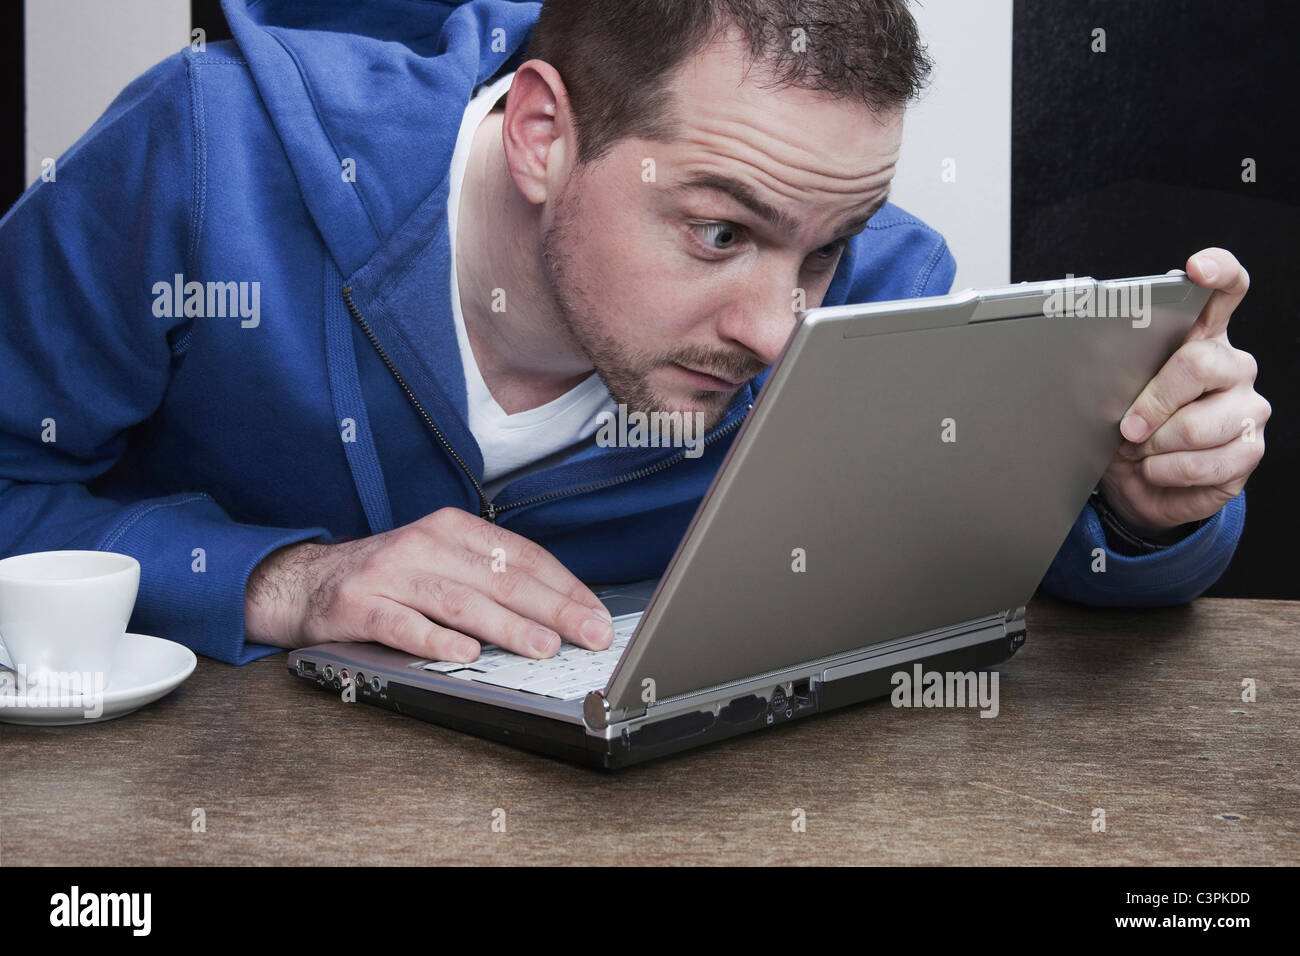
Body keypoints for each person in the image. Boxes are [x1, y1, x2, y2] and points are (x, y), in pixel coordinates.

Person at [0, 0, 1267, 668]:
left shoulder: (883, 285)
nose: (780, 330)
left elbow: (1049, 568)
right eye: (720, 231)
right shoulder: (200, 159)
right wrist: (283, 581)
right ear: (544, 135)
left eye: (819, 246)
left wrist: (1145, 502)